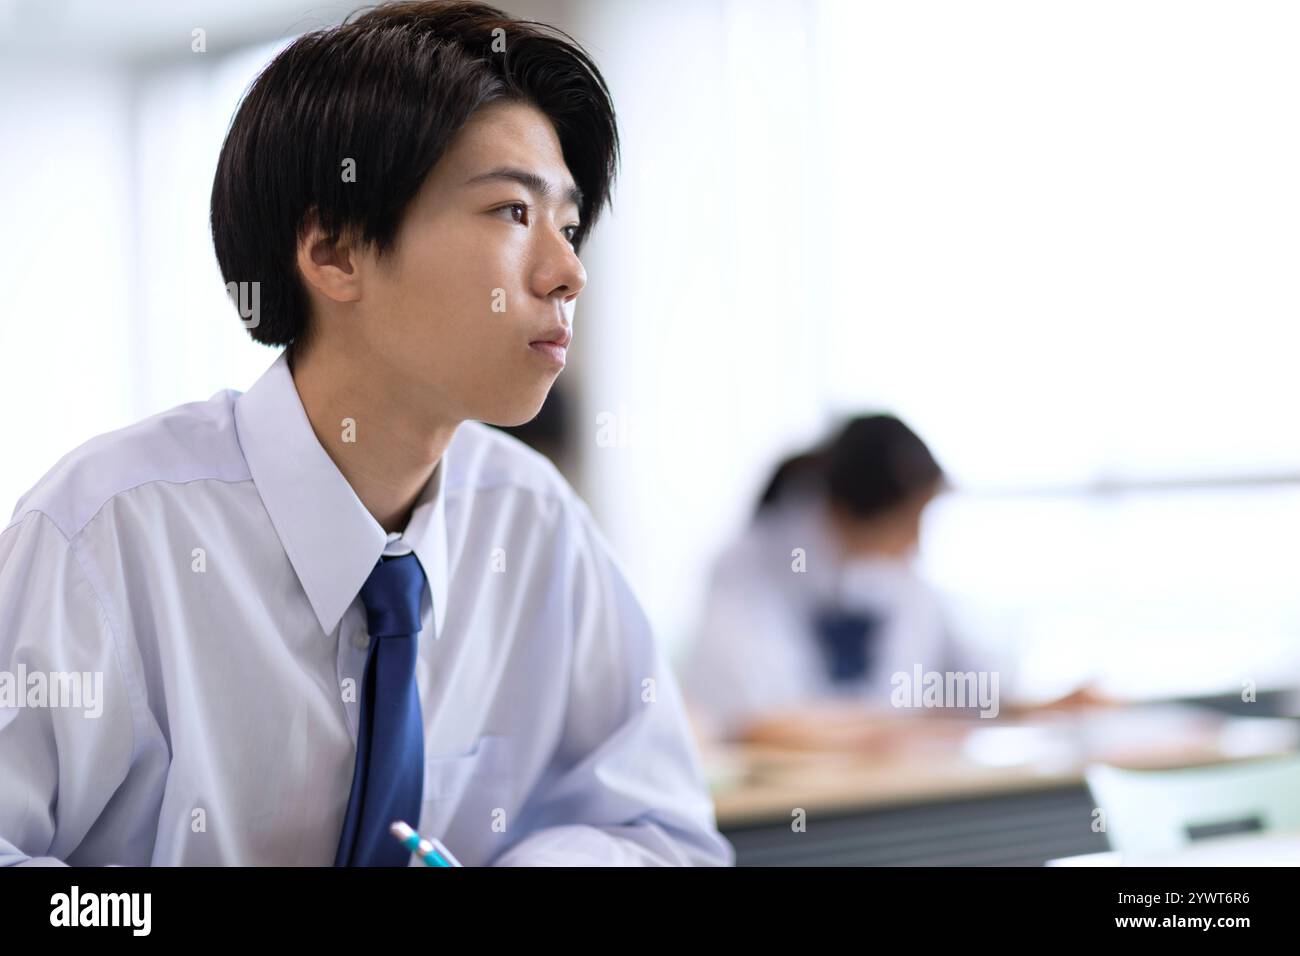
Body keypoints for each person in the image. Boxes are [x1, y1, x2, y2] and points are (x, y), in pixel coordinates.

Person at [0, 1, 731, 867]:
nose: (568, 272)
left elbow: (666, 834)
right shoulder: (108, 537)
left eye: (569, 227)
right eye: (510, 213)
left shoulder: (533, 524)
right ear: (336, 253)